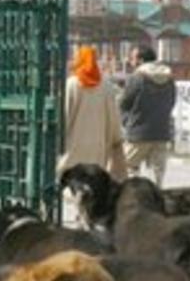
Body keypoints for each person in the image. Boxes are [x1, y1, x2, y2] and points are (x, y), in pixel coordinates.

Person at [58, 46, 126, 180]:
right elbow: (113, 117)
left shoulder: (71, 84)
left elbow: (63, 115)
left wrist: (59, 138)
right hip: (98, 145)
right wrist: (116, 138)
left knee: (71, 180)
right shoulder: (106, 86)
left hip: (72, 145)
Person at [119, 45, 177, 186]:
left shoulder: (137, 77)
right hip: (162, 133)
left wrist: (127, 121)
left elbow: (124, 102)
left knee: (128, 169)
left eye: (132, 58)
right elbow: (172, 101)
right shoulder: (170, 78)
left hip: (138, 132)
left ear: (141, 60)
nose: (130, 61)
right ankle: (153, 202)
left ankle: (134, 200)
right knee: (156, 175)